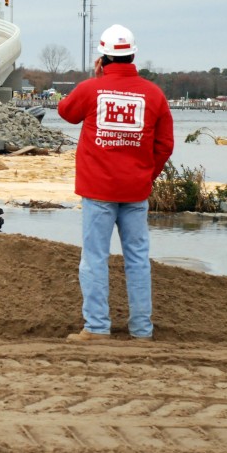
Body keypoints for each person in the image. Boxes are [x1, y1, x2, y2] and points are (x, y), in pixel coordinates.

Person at [57, 24, 174, 343]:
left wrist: (95, 79)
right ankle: (141, 330)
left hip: (98, 191)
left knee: (94, 257)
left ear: (103, 58)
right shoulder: (153, 94)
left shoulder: (91, 89)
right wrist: (146, 175)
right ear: (133, 56)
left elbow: (66, 112)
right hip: (135, 191)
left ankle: (97, 328)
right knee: (137, 259)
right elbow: (165, 145)